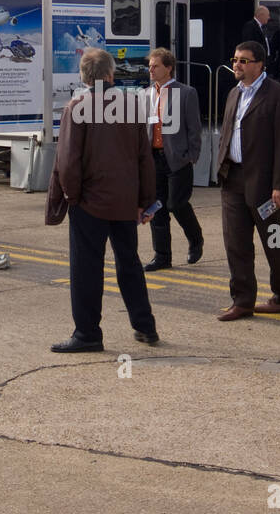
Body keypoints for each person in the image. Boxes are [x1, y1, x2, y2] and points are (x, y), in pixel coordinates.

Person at [50, 47, 159, 352]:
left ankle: (87, 334)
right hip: (125, 200)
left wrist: (71, 195)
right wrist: (146, 200)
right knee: (129, 264)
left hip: (90, 202)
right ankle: (145, 326)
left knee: (87, 268)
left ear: (84, 76)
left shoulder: (78, 106)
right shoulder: (132, 105)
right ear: (111, 74)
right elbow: (143, 158)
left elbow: (69, 159)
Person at [215, 40, 280, 321]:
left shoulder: (279, 95)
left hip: (265, 184)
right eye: (235, 59)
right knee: (236, 244)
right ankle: (242, 301)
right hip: (233, 180)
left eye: (243, 60)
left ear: (259, 64)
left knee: (273, 243)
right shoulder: (233, 94)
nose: (236, 64)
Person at [143, 48, 204, 271]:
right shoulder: (147, 93)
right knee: (156, 208)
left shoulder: (186, 93)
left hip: (178, 159)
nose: (150, 69)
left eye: (155, 65)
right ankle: (162, 256)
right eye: (149, 66)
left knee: (176, 204)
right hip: (154, 159)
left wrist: (192, 157)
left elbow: (194, 128)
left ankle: (196, 239)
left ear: (168, 68)